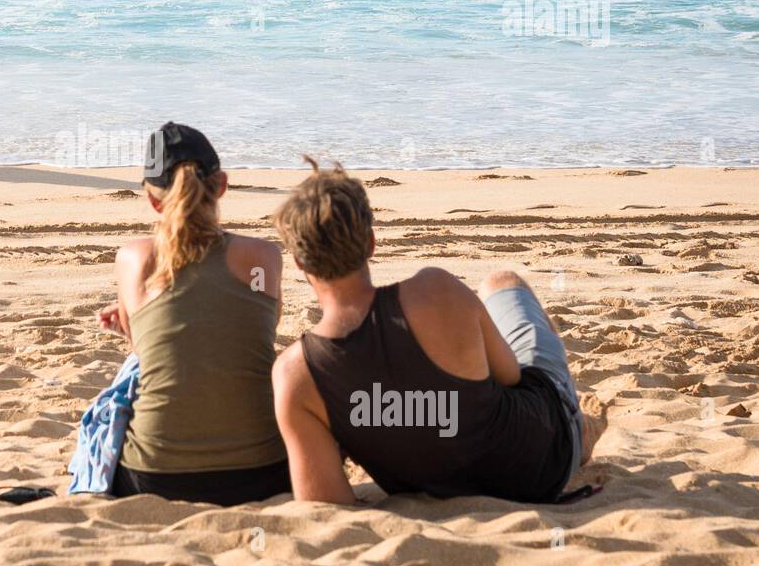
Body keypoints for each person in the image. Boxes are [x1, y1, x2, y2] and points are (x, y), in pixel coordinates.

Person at [270, 160, 606, 505]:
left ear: (299, 263)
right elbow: (511, 373)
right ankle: (581, 425)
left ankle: (580, 424)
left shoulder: (295, 375)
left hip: (446, 487)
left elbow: (325, 504)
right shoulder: (435, 289)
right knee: (502, 283)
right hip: (541, 468)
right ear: (371, 243)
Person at [96, 122, 290, 505]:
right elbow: (249, 331)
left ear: (153, 201)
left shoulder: (134, 259)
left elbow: (147, 352)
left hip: (152, 478)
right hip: (262, 475)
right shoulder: (263, 259)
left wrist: (137, 327)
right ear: (221, 185)